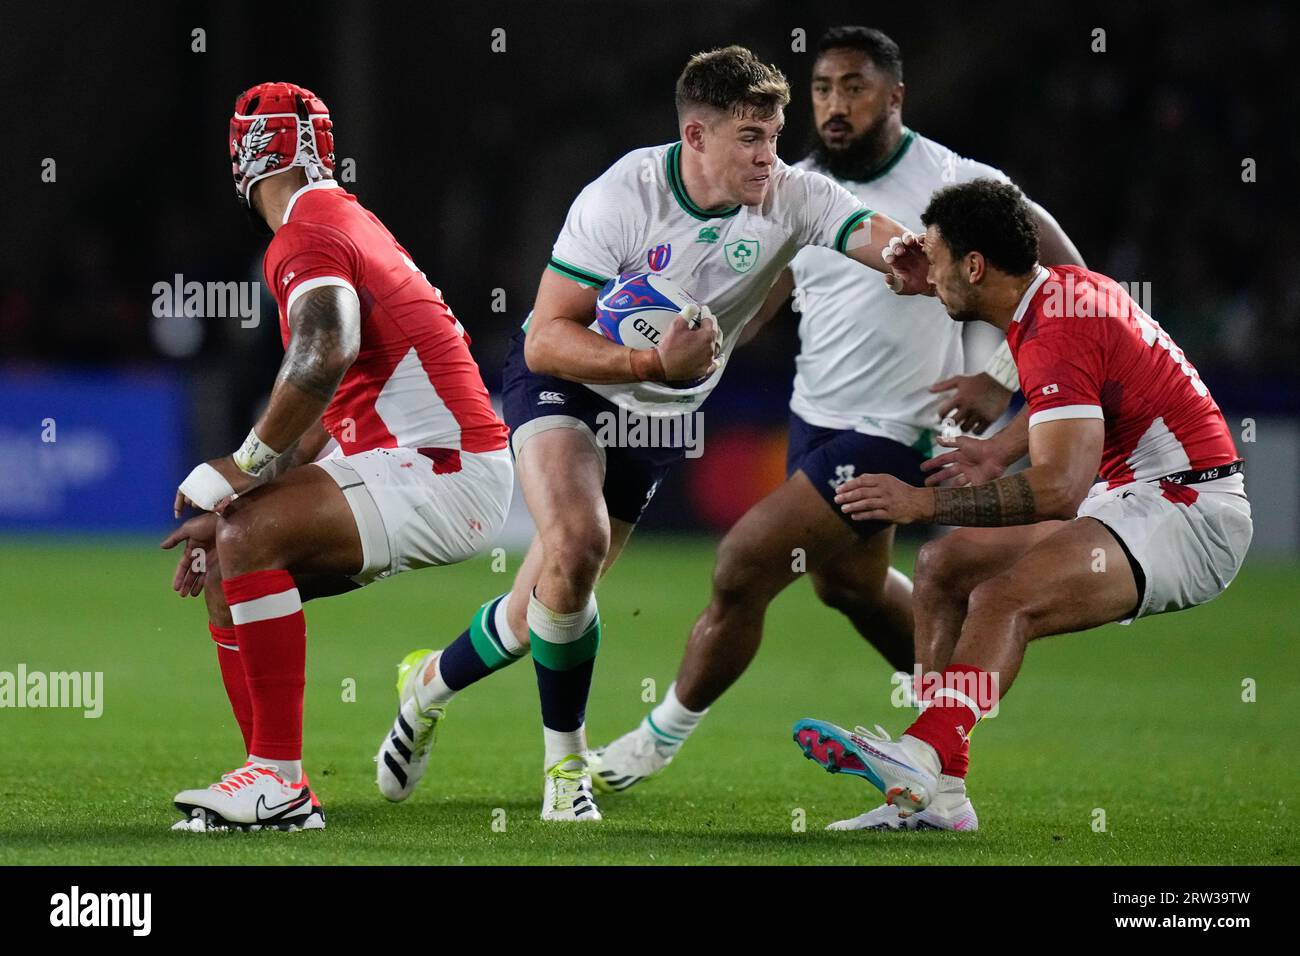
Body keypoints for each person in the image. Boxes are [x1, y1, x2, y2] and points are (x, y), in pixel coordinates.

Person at [373, 45, 930, 822]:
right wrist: (646, 359)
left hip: (659, 413)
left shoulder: (791, 195)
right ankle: (564, 773)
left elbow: (867, 229)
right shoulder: (622, 199)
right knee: (577, 544)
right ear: (695, 138)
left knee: (545, 606)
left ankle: (427, 684)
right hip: (568, 378)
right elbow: (545, 338)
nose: (768, 156)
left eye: (773, 135)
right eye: (749, 139)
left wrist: (904, 254)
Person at [590, 28, 1085, 835]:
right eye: (821, 88)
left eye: (853, 87)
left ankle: (657, 737)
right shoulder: (791, 188)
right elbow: (753, 306)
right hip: (811, 416)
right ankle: (943, 745)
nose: (833, 105)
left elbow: (1068, 280)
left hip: (898, 430)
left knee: (743, 564)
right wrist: (668, 352)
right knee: (848, 586)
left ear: (894, 97)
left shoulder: (957, 182)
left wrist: (1002, 377)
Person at [792, 179, 1252, 827]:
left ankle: (923, 752)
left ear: (974, 265)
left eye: (939, 255)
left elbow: (1060, 489)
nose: (932, 271)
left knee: (1005, 597)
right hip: (1135, 497)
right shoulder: (1056, 296)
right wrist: (999, 449)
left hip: (1190, 512)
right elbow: (1073, 401)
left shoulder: (1055, 325)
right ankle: (940, 795)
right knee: (942, 569)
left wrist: (922, 503)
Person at [162, 82, 512, 830]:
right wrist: (239, 499)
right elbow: (332, 400)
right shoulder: (342, 217)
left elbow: (325, 353)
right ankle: (272, 783)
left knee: (250, 534)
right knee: (232, 555)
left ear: (247, 154)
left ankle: (278, 785)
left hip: (443, 467)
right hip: (425, 460)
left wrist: (241, 468)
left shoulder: (305, 231)